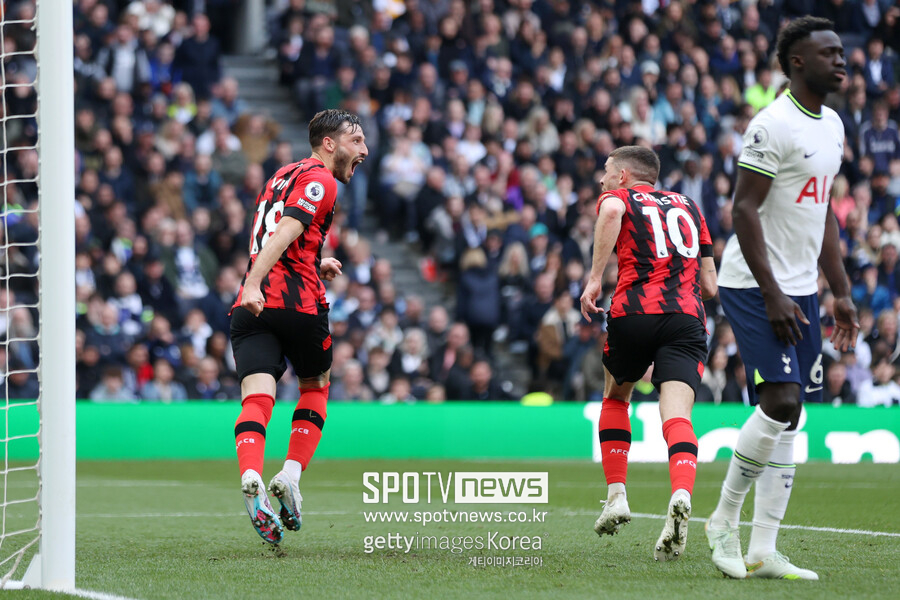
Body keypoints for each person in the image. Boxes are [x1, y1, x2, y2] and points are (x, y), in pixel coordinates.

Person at [705, 17, 859, 581]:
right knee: (782, 400)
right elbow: (743, 209)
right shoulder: (772, 125)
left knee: (792, 417)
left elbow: (823, 214)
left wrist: (840, 292)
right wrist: (772, 293)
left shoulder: (833, 125)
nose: (841, 60)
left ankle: (763, 549)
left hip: (801, 287)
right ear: (797, 62)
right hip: (754, 282)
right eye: (828, 53)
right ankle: (722, 521)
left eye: (841, 52)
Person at [230, 109, 368, 544]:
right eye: (356, 141)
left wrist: (312, 260)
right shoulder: (321, 179)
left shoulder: (280, 175)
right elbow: (287, 229)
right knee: (316, 385)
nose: (364, 150)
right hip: (295, 304)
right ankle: (290, 475)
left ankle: (251, 475)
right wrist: (256, 281)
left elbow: (271, 232)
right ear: (330, 144)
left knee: (257, 396)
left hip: (251, 311)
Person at [580, 146, 717, 562]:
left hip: (634, 312)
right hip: (686, 318)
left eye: (606, 171)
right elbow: (711, 286)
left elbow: (609, 212)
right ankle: (681, 493)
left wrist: (594, 280)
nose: (602, 179)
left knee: (615, 397)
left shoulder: (618, 197)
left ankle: (617, 495)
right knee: (677, 416)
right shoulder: (690, 206)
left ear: (623, 176)